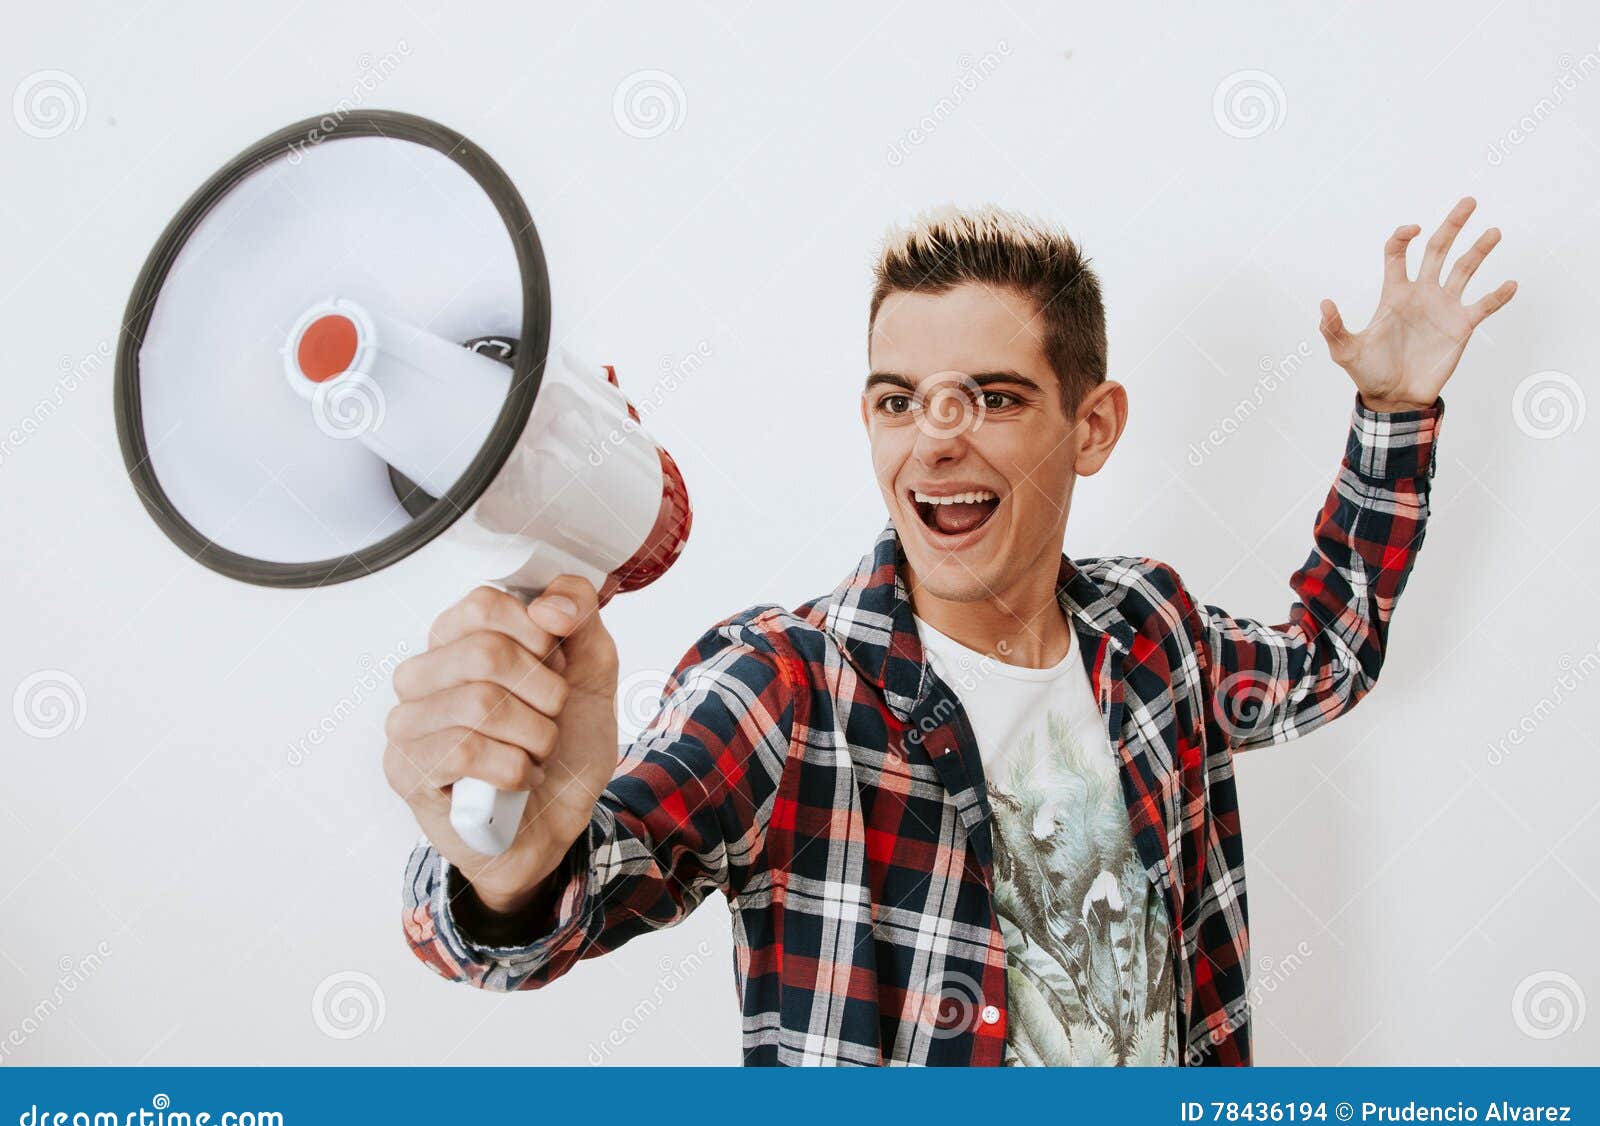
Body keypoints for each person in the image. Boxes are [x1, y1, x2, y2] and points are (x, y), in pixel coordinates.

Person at [386, 199, 1515, 1066]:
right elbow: (545, 912)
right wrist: (510, 866)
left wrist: (1395, 415)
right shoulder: (784, 687)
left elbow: (1325, 659)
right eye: (897, 398)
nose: (934, 441)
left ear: (1093, 425)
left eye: (994, 395)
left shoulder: (1153, 633)